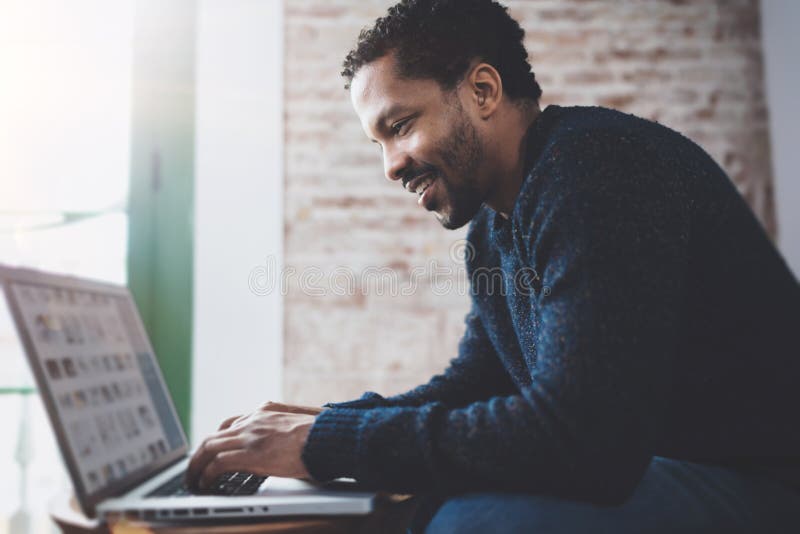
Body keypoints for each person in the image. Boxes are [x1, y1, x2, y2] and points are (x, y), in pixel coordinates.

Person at [186, 0, 800, 531]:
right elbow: (479, 383)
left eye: (399, 127)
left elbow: (582, 439)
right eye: (378, 144)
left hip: (762, 482)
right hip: (668, 466)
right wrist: (331, 422)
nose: (390, 166)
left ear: (482, 91)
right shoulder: (494, 225)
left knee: (468, 522)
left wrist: (328, 444)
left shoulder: (595, 172)